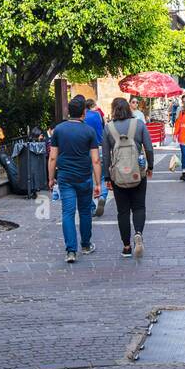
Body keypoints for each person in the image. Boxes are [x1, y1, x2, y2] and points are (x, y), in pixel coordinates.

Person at [48, 96, 102, 264]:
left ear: (69, 112)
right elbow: (95, 160)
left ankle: (71, 251)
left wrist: (51, 179)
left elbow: (52, 157)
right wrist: (98, 182)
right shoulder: (89, 131)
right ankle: (85, 245)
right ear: (83, 113)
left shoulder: (59, 130)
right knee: (85, 211)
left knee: (67, 212)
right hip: (84, 177)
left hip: (65, 177)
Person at [103, 97, 155, 258]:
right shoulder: (138, 124)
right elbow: (149, 148)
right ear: (128, 108)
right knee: (139, 207)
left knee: (123, 211)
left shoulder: (108, 128)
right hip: (137, 172)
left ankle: (126, 246)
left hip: (118, 175)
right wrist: (150, 166)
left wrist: (107, 177)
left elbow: (105, 155)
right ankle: (138, 233)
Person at [83, 97, 108, 216]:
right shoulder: (98, 115)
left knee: (87, 177)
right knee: (102, 176)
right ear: (93, 105)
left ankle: (92, 207)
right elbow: (105, 127)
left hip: (86, 149)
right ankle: (102, 195)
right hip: (99, 147)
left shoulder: (83, 117)